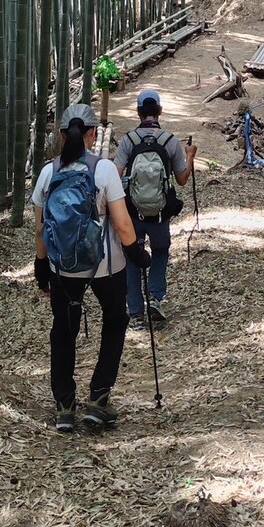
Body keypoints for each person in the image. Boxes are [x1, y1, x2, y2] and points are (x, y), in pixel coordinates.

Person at [32, 102, 152, 433]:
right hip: (105, 265)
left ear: (60, 135)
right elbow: (123, 224)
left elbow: (41, 229)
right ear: (92, 133)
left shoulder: (48, 172)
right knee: (115, 321)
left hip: (62, 269)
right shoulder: (104, 170)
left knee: (63, 330)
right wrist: (138, 255)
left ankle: (65, 406)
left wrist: (41, 269)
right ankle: (98, 399)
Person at [114, 87, 196, 331]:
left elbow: (115, 174)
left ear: (139, 112)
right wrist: (190, 155)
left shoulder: (128, 141)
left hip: (133, 211)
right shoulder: (169, 141)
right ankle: (156, 298)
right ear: (159, 111)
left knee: (132, 258)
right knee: (160, 252)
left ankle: (136, 313)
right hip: (160, 212)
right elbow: (181, 179)